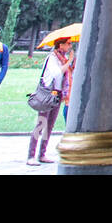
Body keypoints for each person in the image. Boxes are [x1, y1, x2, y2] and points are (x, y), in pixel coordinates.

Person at [26, 37, 71, 165]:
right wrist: (69, 62)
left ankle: (42, 153)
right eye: (68, 44)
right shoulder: (52, 58)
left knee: (49, 126)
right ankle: (31, 155)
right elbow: (56, 73)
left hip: (57, 95)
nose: (70, 46)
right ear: (60, 45)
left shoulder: (62, 59)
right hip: (47, 94)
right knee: (41, 124)